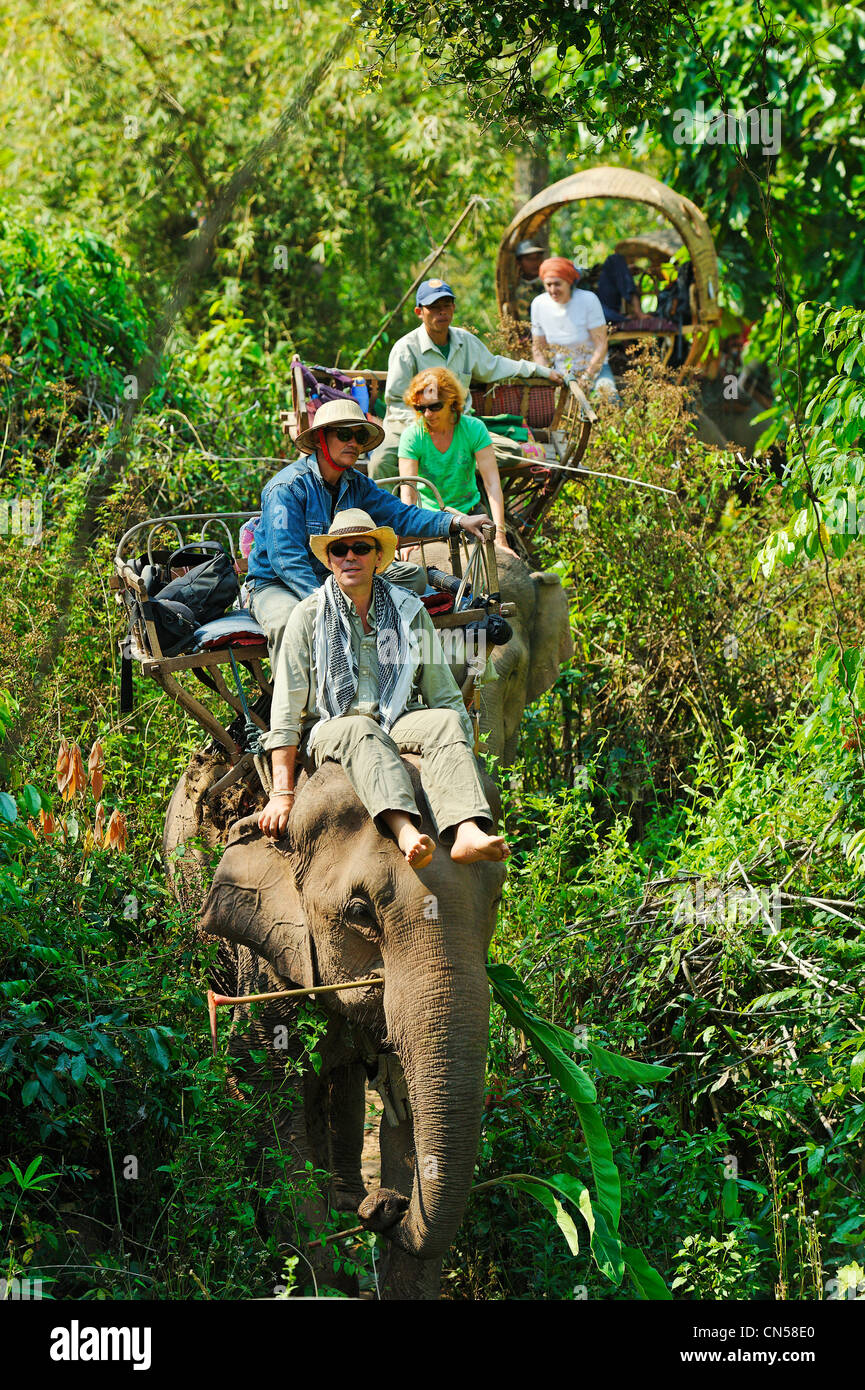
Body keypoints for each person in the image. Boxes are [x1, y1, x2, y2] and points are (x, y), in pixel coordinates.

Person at [258, 509, 509, 869]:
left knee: (444, 721)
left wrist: (464, 747)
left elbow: (443, 692)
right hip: (333, 725)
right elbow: (285, 710)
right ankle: (405, 830)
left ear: (378, 557)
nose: (350, 557)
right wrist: (282, 794)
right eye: (340, 550)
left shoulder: (408, 611)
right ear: (329, 561)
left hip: (397, 718)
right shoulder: (307, 616)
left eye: (360, 548)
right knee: (361, 728)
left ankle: (467, 830)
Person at [247, 398, 492, 674]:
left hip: (338, 576)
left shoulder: (357, 485)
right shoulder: (287, 488)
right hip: (277, 585)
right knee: (290, 622)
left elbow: (402, 515)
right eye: (343, 434)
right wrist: (327, 601)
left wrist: (457, 521)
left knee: (414, 576)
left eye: (359, 435)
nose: (352, 442)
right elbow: (287, 561)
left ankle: (394, 678)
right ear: (319, 439)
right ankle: (296, 711)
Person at [369, 277, 562, 478]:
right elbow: (397, 403)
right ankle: (388, 510)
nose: (441, 312)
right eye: (434, 307)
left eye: (446, 305)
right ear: (419, 312)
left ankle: (468, 493)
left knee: (511, 452)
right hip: (411, 427)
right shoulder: (406, 348)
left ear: (453, 308)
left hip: (457, 427)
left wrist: (542, 371)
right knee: (381, 463)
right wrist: (428, 426)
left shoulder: (465, 341)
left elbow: (494, 365)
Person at [398, 367, 518, 557]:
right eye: (421, 408)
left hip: (470, 514)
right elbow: (408, 492)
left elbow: (492, 484)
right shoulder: (412, 436)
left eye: (435, 406)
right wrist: (407, 537)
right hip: (429, 518)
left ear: (451, 402)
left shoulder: (473, 429)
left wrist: (500, 536)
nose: (428, 414)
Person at [530, 257, 619, 402]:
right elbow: (538, 348)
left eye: (557, 284)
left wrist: (587, 378)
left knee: (609, 400)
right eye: (548, 285)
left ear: (569, 282)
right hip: (560, 374)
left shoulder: (588, 300)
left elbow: (601, 345)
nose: (553, 290)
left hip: (595, 371)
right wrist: (546, 373)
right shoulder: (539, 304)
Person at [512, 238, 546, 321]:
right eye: (529, 259)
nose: (535, 262)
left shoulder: (553, 281)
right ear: (519, 263)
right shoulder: (521, 292)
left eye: (538, 258)